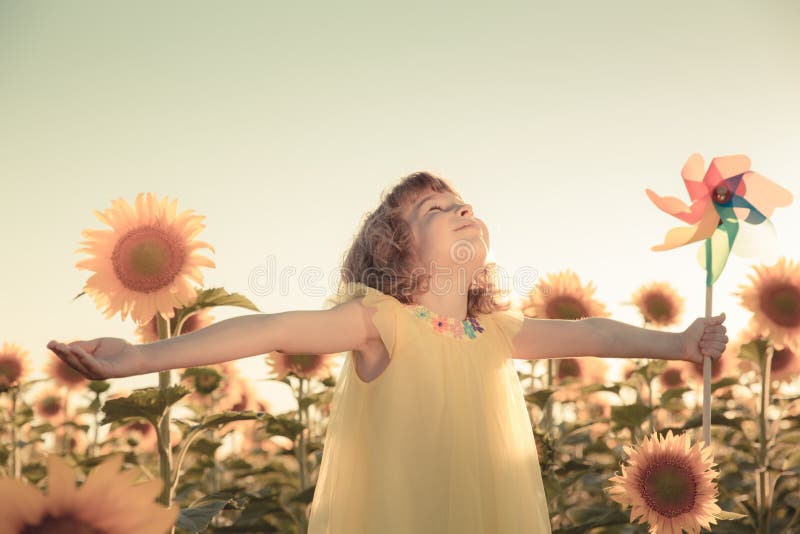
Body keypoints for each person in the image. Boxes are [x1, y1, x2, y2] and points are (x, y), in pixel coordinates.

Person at [47, 170, 729, 534]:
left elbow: (597, 335)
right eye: (436, 210)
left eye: (461, 201)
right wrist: (136, 361)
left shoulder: (496, 332)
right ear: (395, 251)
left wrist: (676, 342)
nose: (460, 209)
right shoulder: (379, 323)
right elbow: (265, 329)